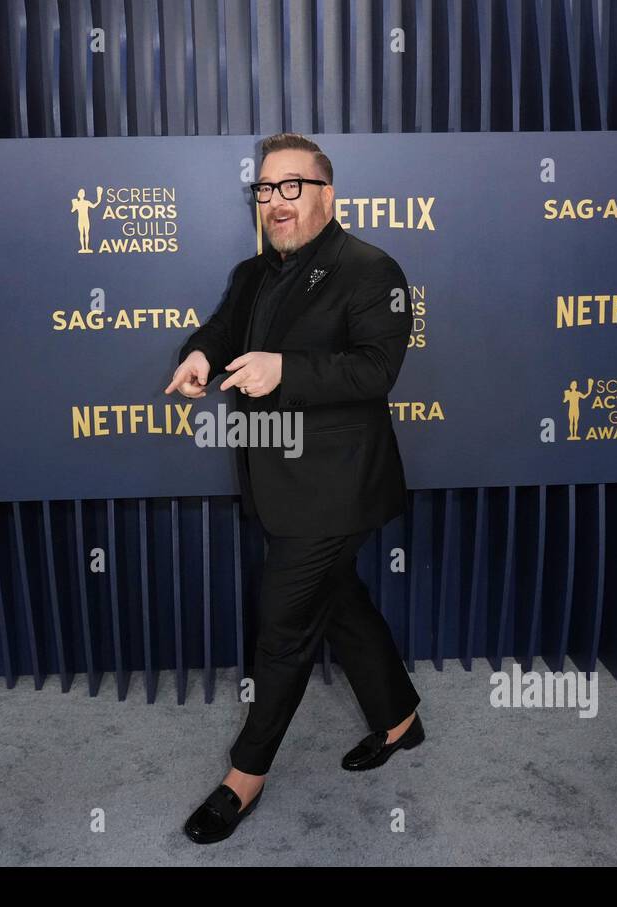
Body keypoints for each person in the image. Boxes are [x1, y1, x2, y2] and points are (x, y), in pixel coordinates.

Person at [164, 133, 424, 844]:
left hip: (337, 487)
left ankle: (244, 777)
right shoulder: (254, 272)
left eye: (292, 187)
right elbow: (223, 328)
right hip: (274, 477)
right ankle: (400, 717)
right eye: (266, 189)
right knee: (339, 601)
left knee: (282, 625)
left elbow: (376, 370)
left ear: (326, 194)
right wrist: (197, 354)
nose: (276, 202)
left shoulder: (373, 269)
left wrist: (286, 371)